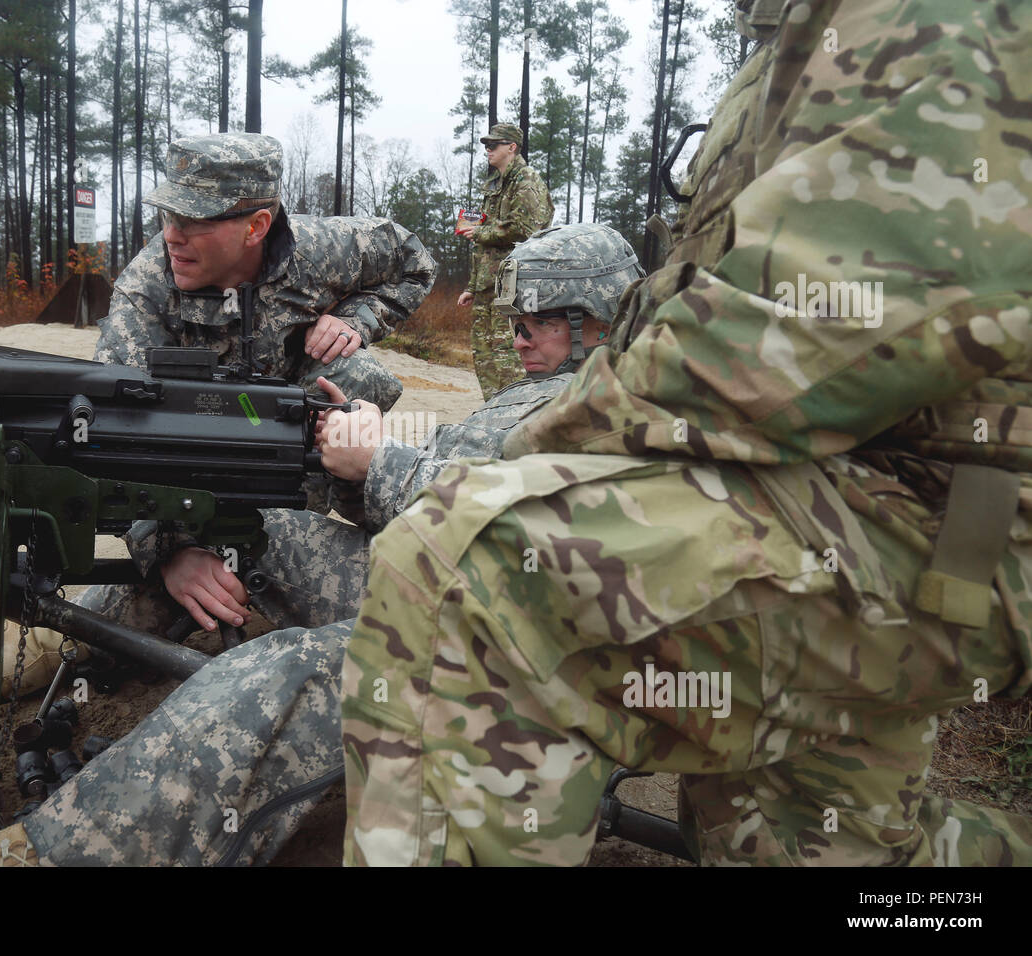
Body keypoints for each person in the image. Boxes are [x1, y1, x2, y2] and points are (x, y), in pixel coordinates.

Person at [341, 0, 1032, 866]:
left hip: (945, 531)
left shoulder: (936, 16)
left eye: (544, 321)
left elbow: (780, 346)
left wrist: (509, 454)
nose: (524, 339)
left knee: (464, 575)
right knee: (803, 850)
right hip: (834, 499)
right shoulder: (792, 33)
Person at [0, 224, 644, 865]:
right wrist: (351, 460)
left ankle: (50, 854)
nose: (517, 338)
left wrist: (384, 463)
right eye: (514, 320)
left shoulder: (620, 409)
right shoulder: (558, 389)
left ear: (599, 323)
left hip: (526, 656)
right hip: (453, 596)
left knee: (290, 674)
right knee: (252, 528)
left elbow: (524, 541)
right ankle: (55, 650)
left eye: (538, 323)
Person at [1, 132, 437, 696]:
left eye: (193, 220)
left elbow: (414, 261)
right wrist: (170, 552)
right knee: (101, 644)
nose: (171, 237)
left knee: (356, 381)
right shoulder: (147, 289)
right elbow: (109, 442)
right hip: (191, 474)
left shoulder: (327, 249)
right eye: (166, 216)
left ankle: (333, 534)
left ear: (255, 227)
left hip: (302, 447)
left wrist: (358, 318)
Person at [456, 124, 554, 401]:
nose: (488, 150)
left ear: (512, 147)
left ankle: (517, 412)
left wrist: (482, 231)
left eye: (494, 145)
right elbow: (483, 245)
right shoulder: (494, 185)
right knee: (484, 355)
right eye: (486, 146)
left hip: (514, 285)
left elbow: (528, 228)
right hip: (489, 285)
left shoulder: (527, 181)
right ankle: (495, 411)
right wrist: (473, 287)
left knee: (509, 354)